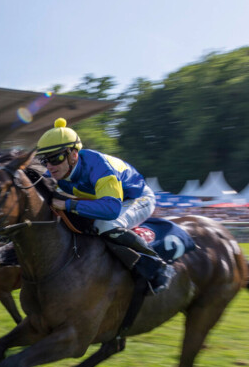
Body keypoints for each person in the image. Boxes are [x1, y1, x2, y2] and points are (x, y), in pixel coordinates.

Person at [34, 118, 171, 293]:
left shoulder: (99, 167)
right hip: (104, 200)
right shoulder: (57, 171)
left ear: (73, 154)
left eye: (55, 158)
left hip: (136, 199)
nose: (49, 166)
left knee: (105, 224)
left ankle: (157, 267)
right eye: (44, 160)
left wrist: (69, 204)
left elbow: (111, 210)